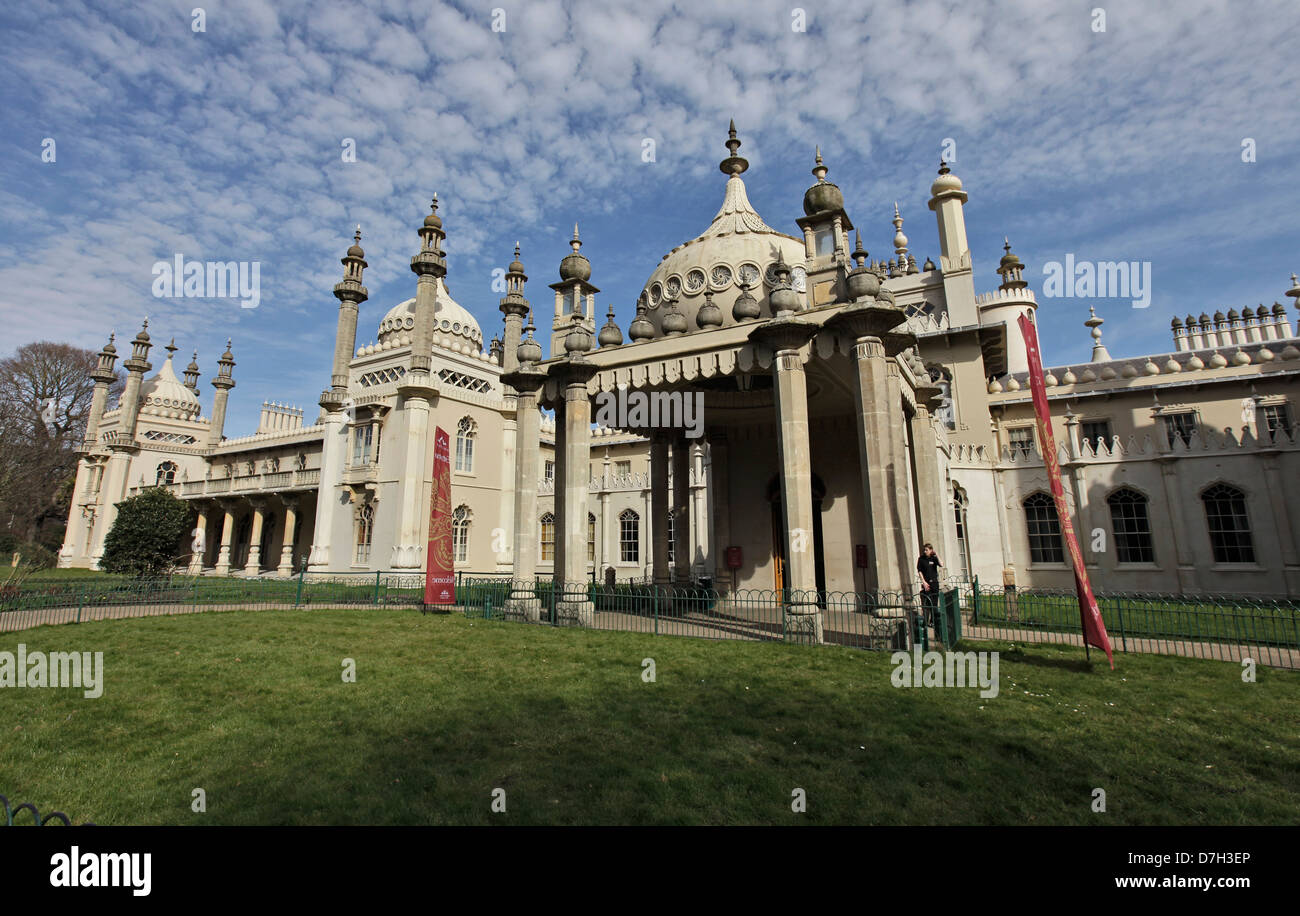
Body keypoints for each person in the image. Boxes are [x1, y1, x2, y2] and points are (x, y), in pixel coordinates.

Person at [917, 543, 943, 625]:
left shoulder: (934, 558)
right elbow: (919, 571)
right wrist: (923, 582)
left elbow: (941, 564)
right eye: (924, 550)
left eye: (927, 550)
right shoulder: (921, 559)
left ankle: (933, 621)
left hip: (934, 583)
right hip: (926, 584)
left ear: (931, 550)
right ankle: (925, 621)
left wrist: (937, 554)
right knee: (927, 603)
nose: (925, 551)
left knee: (934, 603)